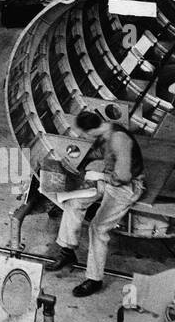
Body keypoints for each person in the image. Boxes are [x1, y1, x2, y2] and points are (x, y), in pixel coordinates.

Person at [50, 109, 146, 297]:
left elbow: (124, 176)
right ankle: (67, 250)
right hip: (109, 178)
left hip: (127, 186)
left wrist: (99, 175)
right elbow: (101, 153)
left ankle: (94, 279)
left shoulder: (119, 139)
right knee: (73, 202)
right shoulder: (106, 130)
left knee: (98, 227)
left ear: (90, 131)